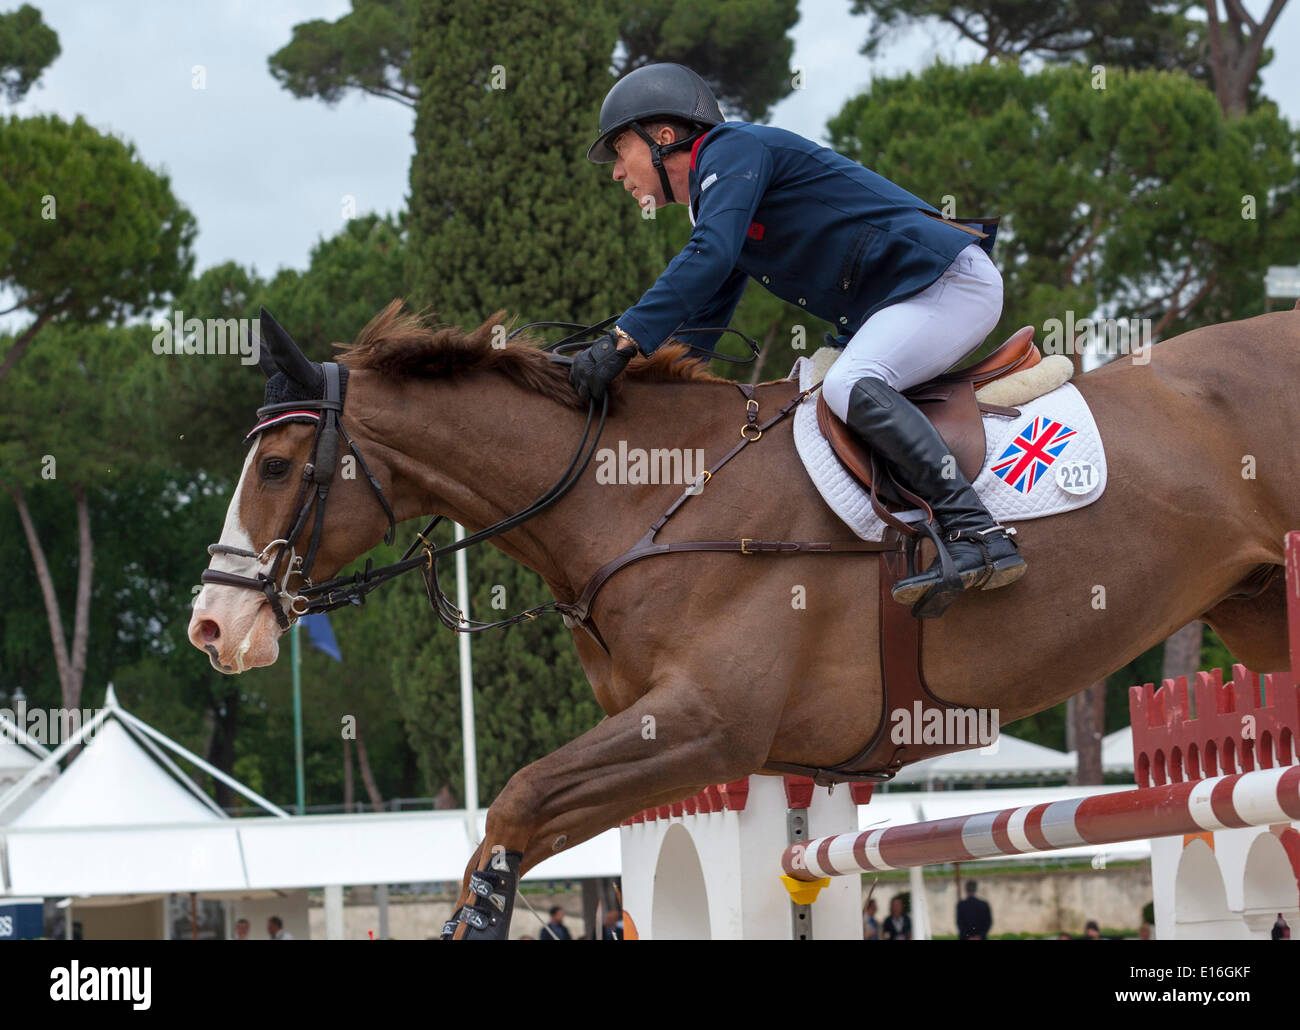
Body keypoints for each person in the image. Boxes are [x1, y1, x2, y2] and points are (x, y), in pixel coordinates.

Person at [571, 63, 1025, 614]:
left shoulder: (731, 150)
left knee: (850, 383)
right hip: (909, 296)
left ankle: (977, 532)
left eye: (620, 152)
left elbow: (708, 257)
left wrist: (621, 342)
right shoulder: (715, 199)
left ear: (662, 138)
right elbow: (702, 327)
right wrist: (635, 385)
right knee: (811, 397)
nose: (618, 172)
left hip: (948, 282)